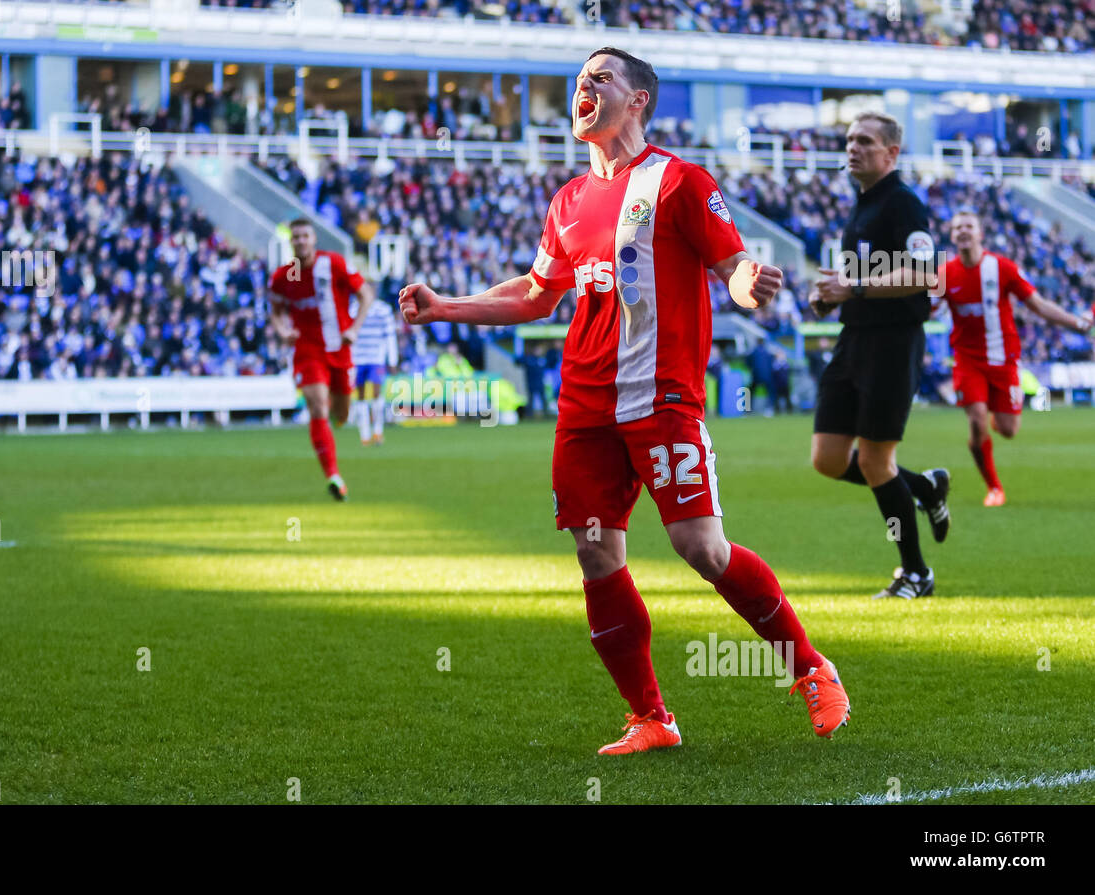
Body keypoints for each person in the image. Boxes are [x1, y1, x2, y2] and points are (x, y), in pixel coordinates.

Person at [399, 47, 850, 755]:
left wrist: (748, 285)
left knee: (699, 547)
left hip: (661, 395)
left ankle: (809, 667)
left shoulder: (679, 181)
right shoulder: (569, 201)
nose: (584, 86)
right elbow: (535, 293)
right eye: (580, 78)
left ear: (637, 99)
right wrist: (445, 305)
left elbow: (731, 266)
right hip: (583, 402)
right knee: (595, 550)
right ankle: (652, 717)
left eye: (600, 77)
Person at [810, 112, 952, 601]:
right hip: (854, 341)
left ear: (892, 152)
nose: (853, 148)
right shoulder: (862, 205)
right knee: (827, 459)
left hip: (894, 343)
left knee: (875, 461)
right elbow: (860, 285)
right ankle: (925, 488)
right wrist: (832, 297)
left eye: (865, 141)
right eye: (849, 139)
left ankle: (915, 572)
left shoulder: (904, 204)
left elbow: (926, 273)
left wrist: (854, 286)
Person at [939, 209, 1094, 506]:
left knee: (1008, 430)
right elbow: (926, 308)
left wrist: (1077, 323)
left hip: (1004, 358)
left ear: (980, 233)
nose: (963, 231)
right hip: (967, 360)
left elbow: (1038, 305)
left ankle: (997, 415)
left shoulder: (1003, 268)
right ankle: (994, 488)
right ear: (952, 235)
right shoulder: (944, 275)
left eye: (969, 226)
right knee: (976, 422)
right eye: (957, 227)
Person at [268, 219, 375, 500]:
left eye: (305, 236)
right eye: (296, 237)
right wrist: (283, 331)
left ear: (314, 239)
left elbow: (366, 294)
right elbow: (276, 311)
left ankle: (334, 423)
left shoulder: (335, 264)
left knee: (341, 413)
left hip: (339, 349)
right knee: (317, 407)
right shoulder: (283, 276)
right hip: (306, 350)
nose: (301, 241)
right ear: (291, 242)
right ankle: (334, 476)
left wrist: (354, 328)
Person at [350, 296, 398, 446]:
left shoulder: (383, 310)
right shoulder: (351, 309)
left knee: (377, 394)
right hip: (357, 358)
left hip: (376, 358)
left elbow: (390, 335)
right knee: (361, 396)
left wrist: (392, 359)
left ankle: (378, 431)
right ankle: (365, 434)